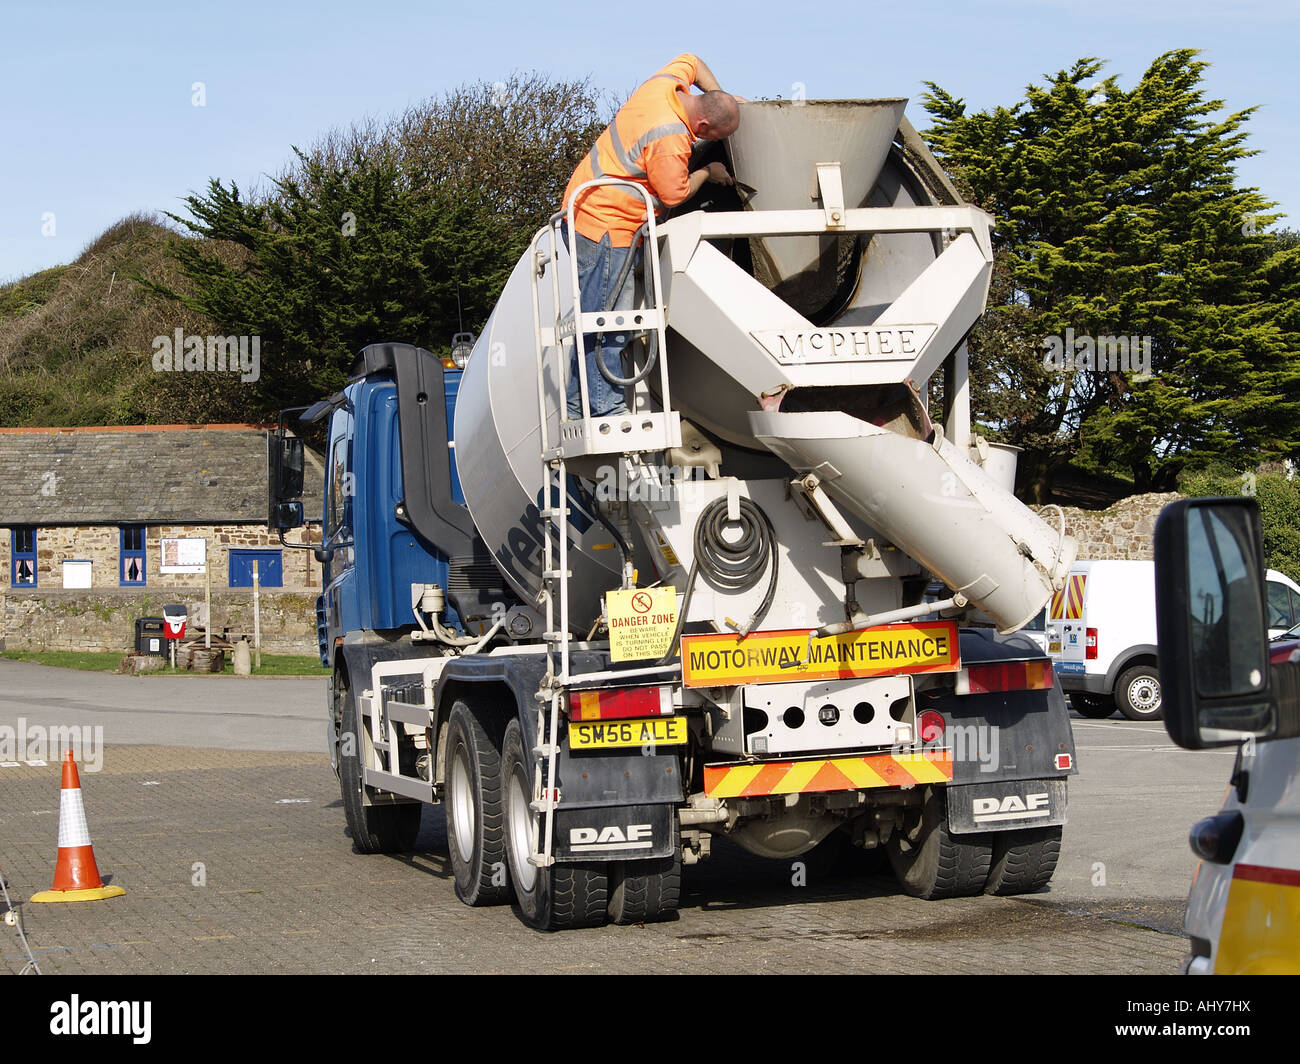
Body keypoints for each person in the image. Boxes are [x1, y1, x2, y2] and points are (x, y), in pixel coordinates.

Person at [561, 54, 740, 418]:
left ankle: (579, 405)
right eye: (710, 134)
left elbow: (691, 59)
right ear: (702, 123)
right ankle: (605, 409)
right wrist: (709, 171)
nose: (703, 139)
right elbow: (674, 194)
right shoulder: (671, 137)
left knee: (602, 316)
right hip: (606, 225)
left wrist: (721, 95)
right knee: (608, 321)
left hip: (587, 210)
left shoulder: (662, 88)